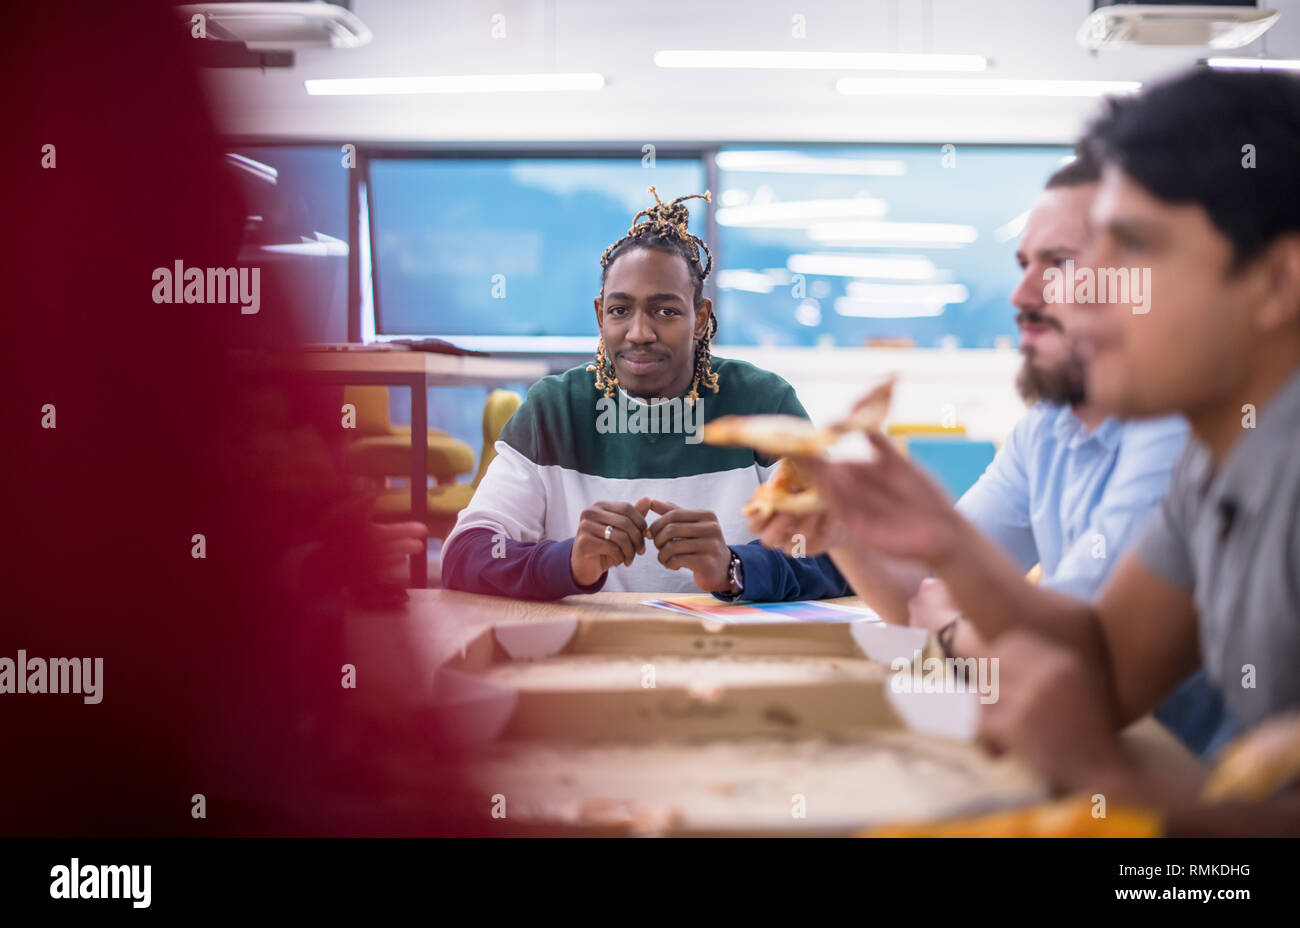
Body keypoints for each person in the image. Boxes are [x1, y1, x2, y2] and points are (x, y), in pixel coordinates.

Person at [783, 68, 1300, 833]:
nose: (1078, 291)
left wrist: (1116, 781)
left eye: (1133, 247)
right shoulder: (1214, 460)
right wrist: (945, 540)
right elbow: (1107, 662)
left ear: (1277, 282)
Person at [750, 152, 1231, 756]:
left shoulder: (1178, 427)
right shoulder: (1048, 426)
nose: (1022, 295)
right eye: (1025, 264)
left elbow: (1069, 661)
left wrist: (953, 624)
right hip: (1094, 753)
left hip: (1189, 773)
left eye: (1060, 264)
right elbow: (923, 591)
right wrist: (842, 528)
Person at [441, 188, 850, 601]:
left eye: (665, 311)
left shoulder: (764, 404)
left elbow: (840, 552)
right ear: (600, 316)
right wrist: (569, 562)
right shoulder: (553, 410)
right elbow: (466, 553)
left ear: (700, 319)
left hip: (726, 641)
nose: (639, 333)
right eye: (620, 311)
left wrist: (735, 567)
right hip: (588, 639)